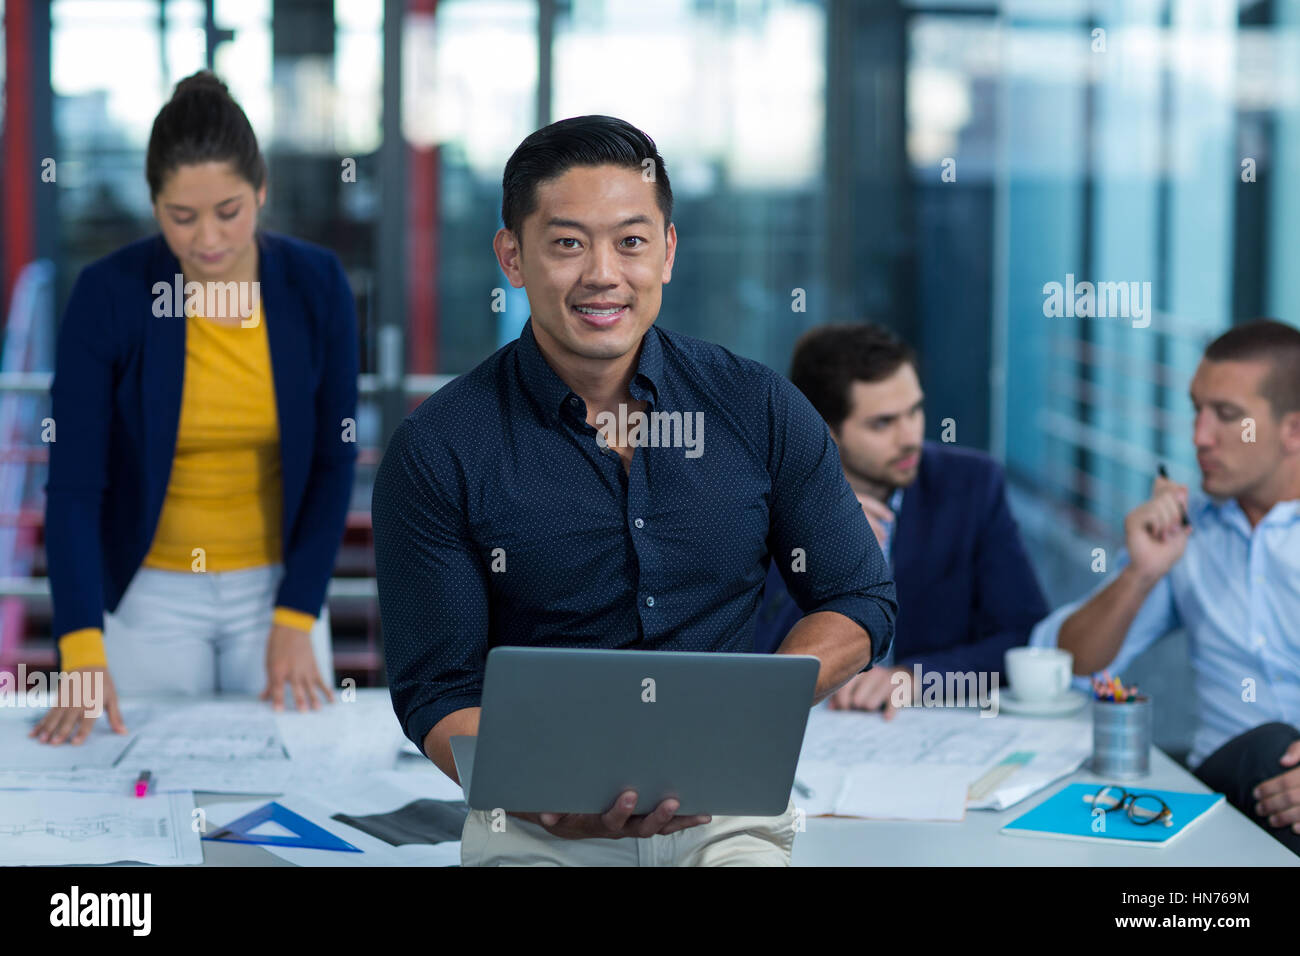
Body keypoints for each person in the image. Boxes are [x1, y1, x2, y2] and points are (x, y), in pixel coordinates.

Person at [372, 115, 897, 866]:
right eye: (567, 243)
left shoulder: (758, 407)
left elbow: (858, 598)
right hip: (534, 826)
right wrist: (544, 796)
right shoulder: (440, 449)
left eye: (631, 240)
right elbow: (437, 690)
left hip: (727, 813)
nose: (602, 274)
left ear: (669, 251)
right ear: (511, 257)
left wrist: (749, 712)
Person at [35, 71, 358, 746]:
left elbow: (334, 460)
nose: (207, 239)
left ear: (261, 191)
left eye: (229, 212)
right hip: (148, 593)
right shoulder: (108, 294)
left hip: (278, 590)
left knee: (301, 784)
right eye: (182, 217)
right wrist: (82, 649)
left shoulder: (316, 282)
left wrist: (298, 613)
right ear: (154, 206)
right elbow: (72, 489)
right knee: (137, 784)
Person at [1030, 319, 1300, 856]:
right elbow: (1064, 667)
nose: (1199, 437)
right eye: (1197, 410)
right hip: (1225, 783)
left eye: (1228, 416)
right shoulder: (1187, 529)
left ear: (1293, 430)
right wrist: (1143, 572)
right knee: (1271, 746)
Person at [753, 323, 1048, 715]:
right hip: (801, 732)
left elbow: (1025, 640)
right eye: (883, 423)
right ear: (822, 431)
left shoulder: (972, 486)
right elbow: (744, 659)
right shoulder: (761, 500)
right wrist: (818, 535)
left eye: (915, 411)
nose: (909, 437)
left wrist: (915, 678)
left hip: (927, 732)